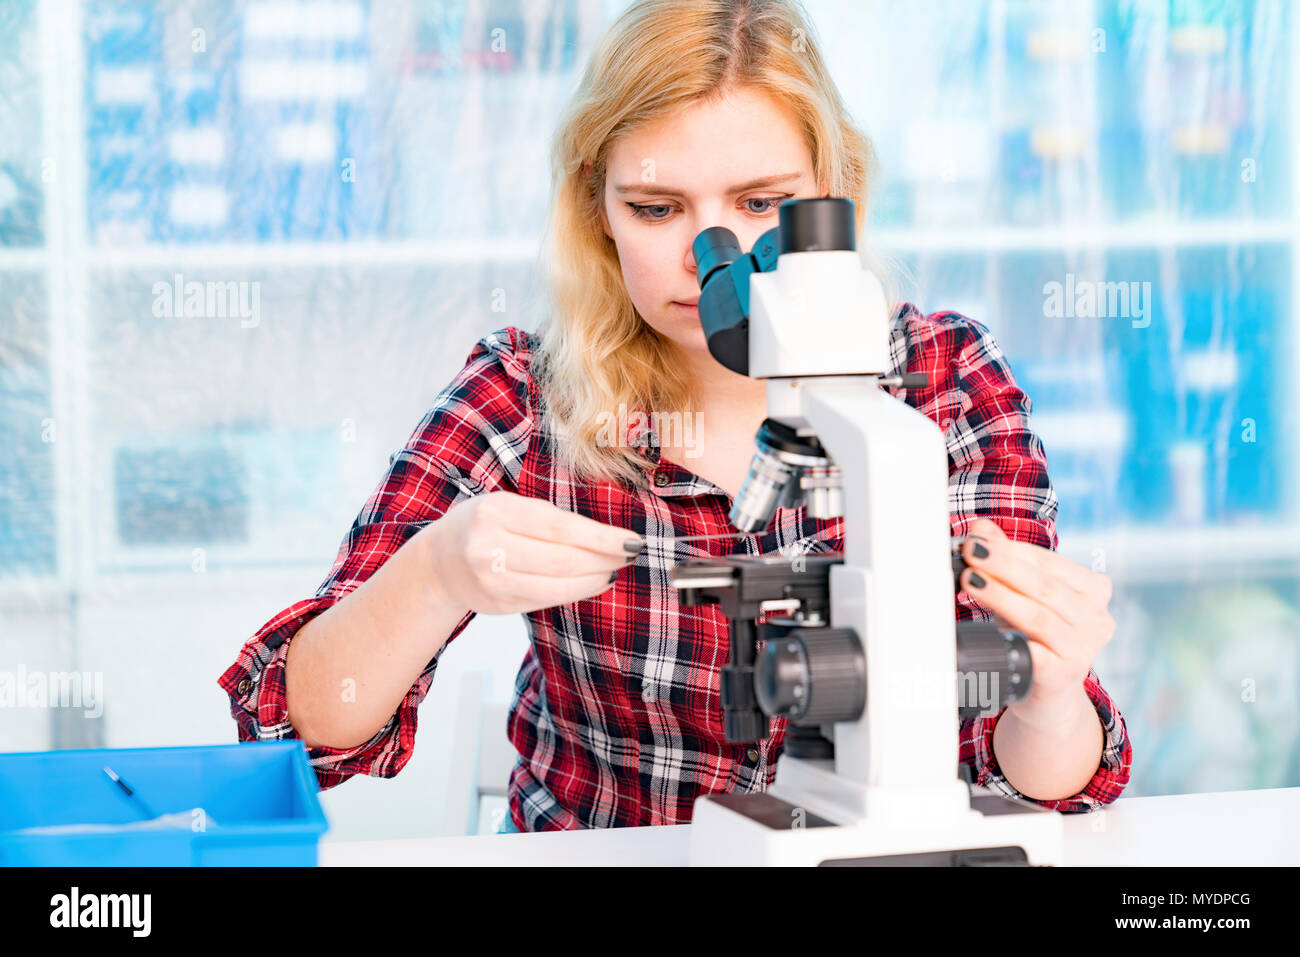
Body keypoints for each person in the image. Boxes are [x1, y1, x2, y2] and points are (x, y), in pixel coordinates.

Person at [219, 0, 1132, 833]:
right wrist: (437, 571)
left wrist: (1049, 694)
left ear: (835, 195)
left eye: (764, 203)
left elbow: (1037, 779)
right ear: (598, 211)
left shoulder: (947, 380)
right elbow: (300, 723)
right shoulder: (526, 397)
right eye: (658, 208)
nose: (714, 257)